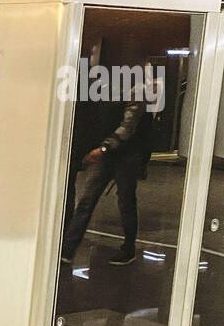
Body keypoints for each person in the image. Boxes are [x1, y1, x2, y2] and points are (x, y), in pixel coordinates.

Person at [60, 76, 155, 267]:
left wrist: (103, 148)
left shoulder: (133, 88)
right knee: (90, 200)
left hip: (125, 154)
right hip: (110, 152)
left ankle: (128, 248)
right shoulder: (105, 85)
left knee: (123, 200)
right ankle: (67, 250)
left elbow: (129, 125)